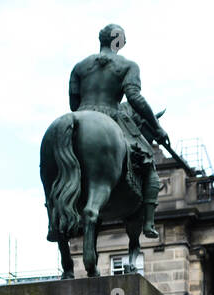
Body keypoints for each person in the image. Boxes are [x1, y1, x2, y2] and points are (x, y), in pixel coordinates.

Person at [67, 24, 169, 238]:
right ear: (116, 40)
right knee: (148, 159)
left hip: (79, 115)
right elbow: (135, 98)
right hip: (112, 116)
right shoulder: (128, 65)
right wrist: (157, 127)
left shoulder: (79, 67)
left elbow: (73, 104)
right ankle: (149, 222)